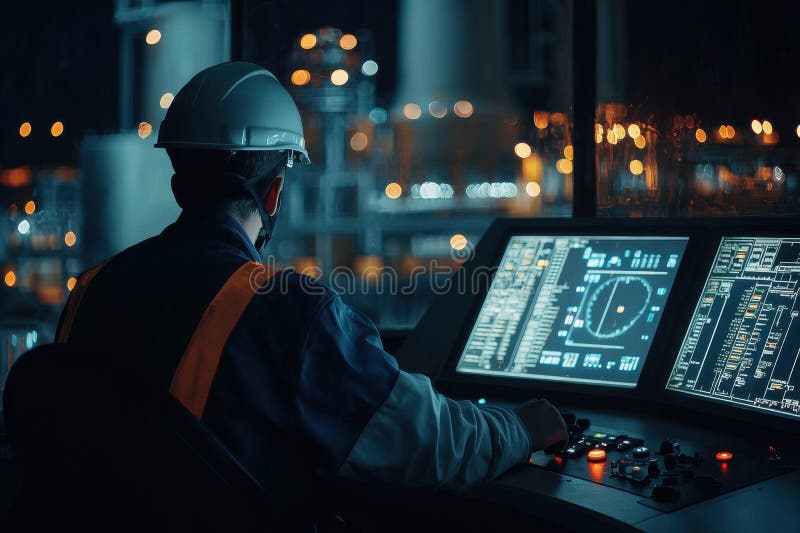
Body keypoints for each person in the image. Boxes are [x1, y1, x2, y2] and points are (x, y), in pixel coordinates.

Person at [57, 62, 567, 524]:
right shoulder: (285, 311)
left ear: (178, 186)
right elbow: (431, 444)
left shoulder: (92, 289)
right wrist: (524, 427)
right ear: (274, 193)